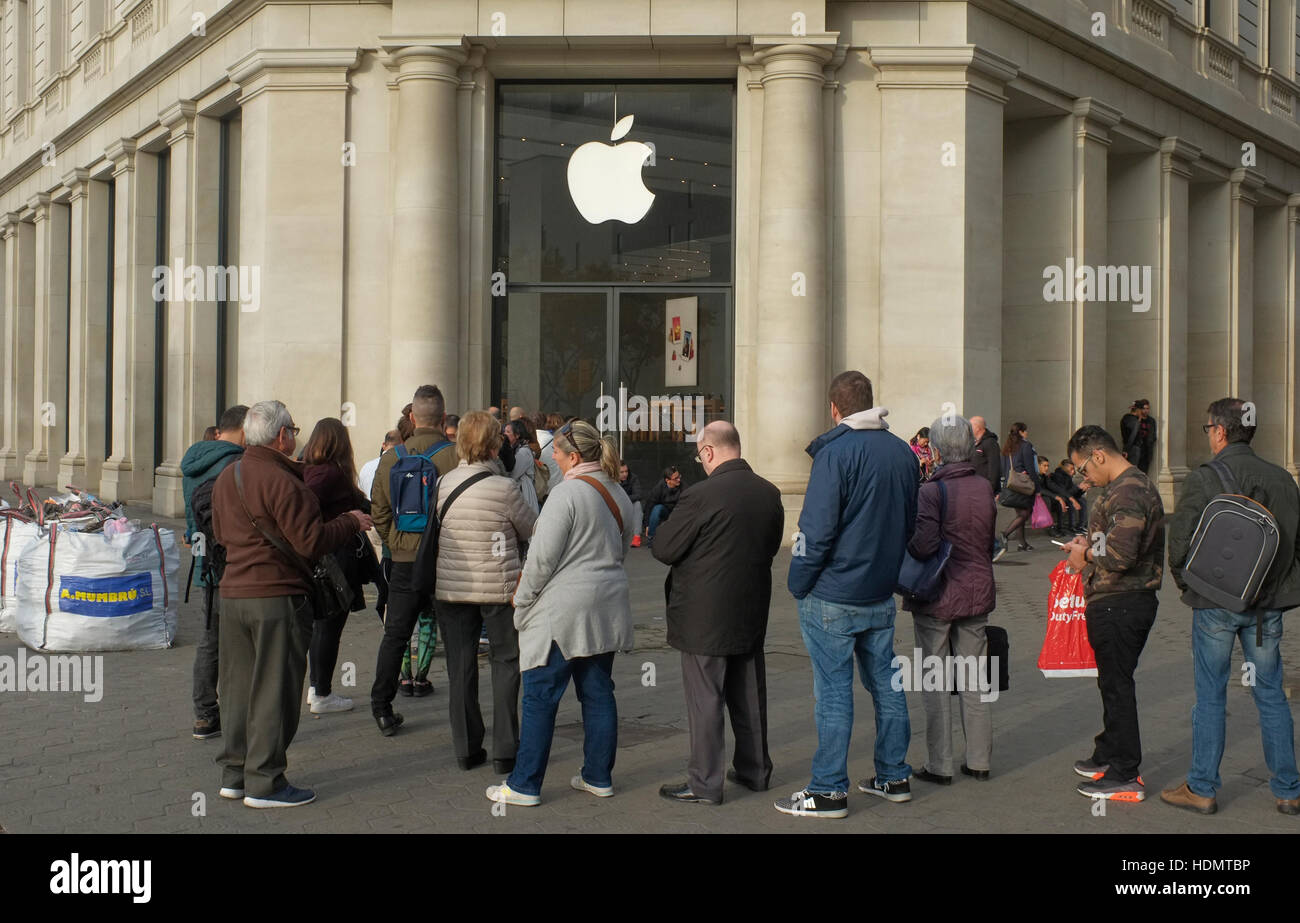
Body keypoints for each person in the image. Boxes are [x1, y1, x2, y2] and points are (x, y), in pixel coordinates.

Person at [210, 400, 371, 807]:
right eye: (293, 430)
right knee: (274, 691)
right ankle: (265, 781)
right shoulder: (283, 482)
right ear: (283, 436)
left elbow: (220, 534)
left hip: (233, 595)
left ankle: (235, 774)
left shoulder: (228, 476)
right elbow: (311, 541)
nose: (296, 437)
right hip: (275, 595)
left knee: (237, 690)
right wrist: (351, 521)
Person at [777, 371, 919, 818]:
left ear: (835, 409)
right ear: (871, 402)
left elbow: (814, 532)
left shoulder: (835, 454)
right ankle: (894, 775)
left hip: (834, 593)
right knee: (886, 684)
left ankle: (828, 790)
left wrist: (797, 581)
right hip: (879, 592)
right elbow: (909, 523)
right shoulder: (902, 452)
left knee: (834, 692)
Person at [1161, 398, 1300, 817]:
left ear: (1219, 432)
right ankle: (1289, 790)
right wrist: (1272, 590)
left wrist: (1193, 586)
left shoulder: (1206, 478)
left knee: (1210, 694)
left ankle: (1202, 787)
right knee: (1271, 694)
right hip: (1265, 609)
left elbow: (1179, 543)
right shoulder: (1283, 479)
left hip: (1215, 605)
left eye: (1208, 429)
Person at [486, 420, 635, 806]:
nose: (551, 455)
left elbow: (540, 560)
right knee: (598, 693)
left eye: (557, 451)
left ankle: (524, 785)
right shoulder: (617, 492)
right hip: (607, 605)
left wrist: (521, 603)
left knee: (540, 696)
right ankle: (598, 776)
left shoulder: (565, 495)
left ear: (572, 456)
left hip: (564, 611)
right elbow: (621, 548)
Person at [653, 421, 784, 805]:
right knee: (749, 693)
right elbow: (771, 545)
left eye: (699, 454)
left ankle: (705, 783)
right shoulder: (769, 492)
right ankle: (755, 770)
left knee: (706, 698)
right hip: (750, 607)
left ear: (708, 452)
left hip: (703, 615)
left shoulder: (699, 496)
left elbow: (663, 548)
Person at [1060, 425, 1164, 802]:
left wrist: (1084, 555)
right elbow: (1118, 542)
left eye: (1083, 468)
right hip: (1117, 599)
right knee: (1111, 682)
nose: (1082, 477)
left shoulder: (1129, 490)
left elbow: (1121, 556)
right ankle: (1109, 751)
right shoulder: (1124, 487)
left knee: (1118, 686)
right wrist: (1088, 544)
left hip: (1122, 601)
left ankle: (1124, 772)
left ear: (1099, 455)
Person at [435, 411, 537, 773]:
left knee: (460, 667)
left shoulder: (444, 483)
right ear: (495, 446)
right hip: (499, 589)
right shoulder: (504, 489)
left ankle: (466, 747)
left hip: (451, 590)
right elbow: (531, 531)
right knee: (506, 663)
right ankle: (505, 750)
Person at [903, 415, 995, 786]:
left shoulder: (931, 492)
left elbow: (924, 546)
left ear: (937, 451)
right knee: (974, 679)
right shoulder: (984, 487)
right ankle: (979, 760)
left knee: (936, 680)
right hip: (976, 591)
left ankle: (939, 764)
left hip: (938, 596)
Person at [369, 385, 459, 733]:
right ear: (443, 414)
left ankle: (382, 707)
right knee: (455, 635)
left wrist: (393, 540)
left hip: (405, 556)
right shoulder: (455, 456)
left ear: (412, 417)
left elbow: (378, 509)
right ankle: (462, 714)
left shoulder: (392, 457)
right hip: (445, 558)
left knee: (396, 633)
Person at [181, 404, 248, 740]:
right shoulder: (235, 463)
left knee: (209, 640)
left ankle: (204, 714)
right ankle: (236, 716)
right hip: (233, 561)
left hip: (202, 559)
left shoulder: (194, 461)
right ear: (245, 429)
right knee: (237, 643)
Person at [302, 417, 372, 715]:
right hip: (334, 559)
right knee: (329, 626)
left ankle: (317, 687)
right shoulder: (330, 473)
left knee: (324, 625)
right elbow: (307, 505)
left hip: (328, 557)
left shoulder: (316, 470)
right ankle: (322, 692)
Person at [998, 422, 1041, 553]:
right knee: (1025, 513)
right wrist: (1037, 487)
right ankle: (1005, 534)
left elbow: (1004, 467)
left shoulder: (1008, 447)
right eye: (1025, 431)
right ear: (1021, 432)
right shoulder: (1026, 446)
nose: (1027, 433)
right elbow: (1031, 468)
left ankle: (1022, 544)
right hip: (1023, 484)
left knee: (1020, 514)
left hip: (1012, 484)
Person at [503, 417, 540, 515]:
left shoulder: (524, 452)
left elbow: (513, 473)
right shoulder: (514, 449)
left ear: (517, 435)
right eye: (504, 431)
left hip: (524, 495)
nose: (504, 434)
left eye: (508, 432)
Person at [1044, 459, 1086, 537]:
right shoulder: (1058, 476)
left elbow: (1073, 493)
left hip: (1066, 497)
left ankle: (1080, 526)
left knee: (1082, 500)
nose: (1073, 471)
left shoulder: (1068, 477)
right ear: (1064, 468)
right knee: (1068, 501)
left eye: (1074, 469)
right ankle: (1069, 527)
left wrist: (1082, 489)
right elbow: (1064, 492)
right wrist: (1077, 488)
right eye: (1071, 469)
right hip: (1057, 499)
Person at [643, 466, 682, 543]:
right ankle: (651, 539)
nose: (679, 479)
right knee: (657, 508)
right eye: (676, 478)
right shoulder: (658, 488)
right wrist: (647, 525)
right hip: (665, 512)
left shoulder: (683, 487)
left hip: (677, 513)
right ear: (667, 480)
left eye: (679, 476)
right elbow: (649, 506)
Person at [359, 430, 400, 500]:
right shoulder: (401, 465)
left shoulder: (366, 466)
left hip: (368, 508)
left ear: (384, 445)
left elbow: (360, 492)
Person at [1120, 399, 1157, 474]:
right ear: (1139, 410)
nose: (1145, 411)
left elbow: (1152, 436)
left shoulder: (1150, 420)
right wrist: (1126, 450)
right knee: (1133, 473)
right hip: (1134, 450)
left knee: (1142, 473)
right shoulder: (1129, 418)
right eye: (1143, 409)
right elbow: (1132, 435)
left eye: (1147, 408)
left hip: (1144, 451)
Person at [619, 463, 644, 547]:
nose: (625, 474)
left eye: (626, 471)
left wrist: (623, 499)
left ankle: (637, 537)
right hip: (615, 505)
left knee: (637, 504)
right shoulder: (611, 479)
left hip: (628, 503)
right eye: (621, 472)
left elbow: (638, 495)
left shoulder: (633, 478)